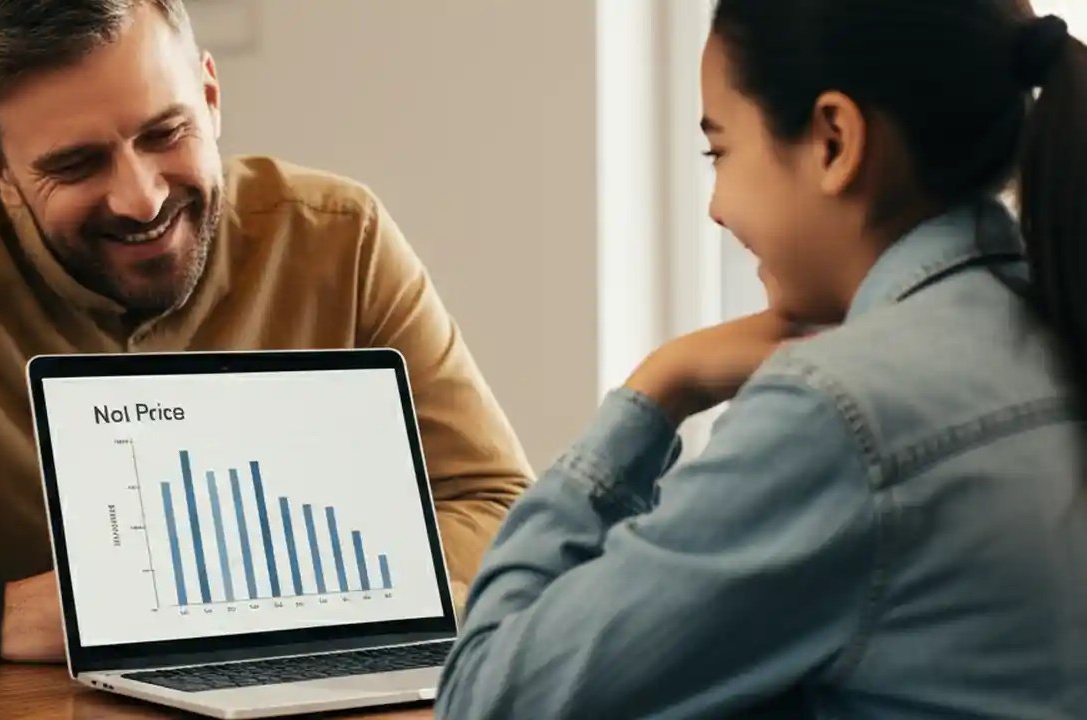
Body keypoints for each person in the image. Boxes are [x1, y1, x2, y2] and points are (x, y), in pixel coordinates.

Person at [0, 0, 532, 663]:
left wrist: (257, 592)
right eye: (77, 164)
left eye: (166, 132)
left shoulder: (343, 239)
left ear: (211, 98)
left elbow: (498, 507)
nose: (141, 198)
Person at [437, 1, 1087, 717]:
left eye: (720, 150)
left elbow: (486, 697)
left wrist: (658, 386)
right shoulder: (1054, 318)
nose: (716, 206)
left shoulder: (841, 413)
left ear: (834, 140)